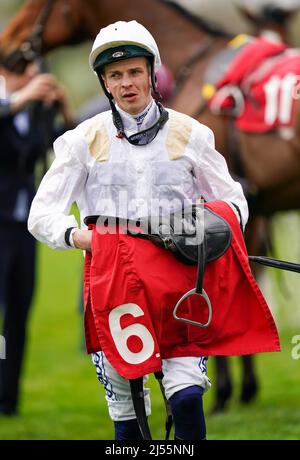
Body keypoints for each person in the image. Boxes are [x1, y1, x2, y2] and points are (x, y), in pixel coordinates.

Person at [27, 20, 249, 440]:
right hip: (113, 289)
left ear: (152, 73)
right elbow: (41, 214)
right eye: (115, 75)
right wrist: (84, 237)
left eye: (134, 71)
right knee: (128, 408)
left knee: (184, 396)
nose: (127, 83)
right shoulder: (81, 141)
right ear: (105, 84)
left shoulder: (192, 133)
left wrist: (207, 226)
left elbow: (235, 203)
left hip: (180, 284)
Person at [0, 60, 73, 416]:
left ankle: (7, 397)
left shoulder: (33, 112)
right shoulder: (9, 104)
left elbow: (65, 150)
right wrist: (19, 99)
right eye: (28, 70)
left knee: (18, 311)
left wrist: (62, 109)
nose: (35, 76)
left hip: (22, 227)